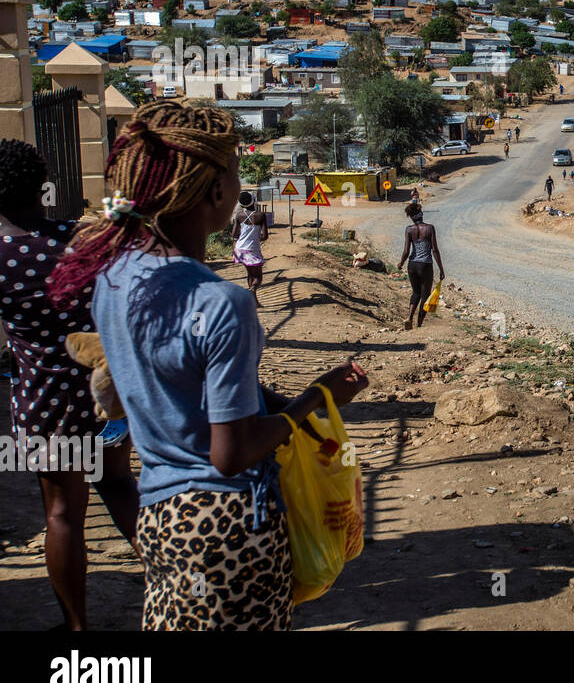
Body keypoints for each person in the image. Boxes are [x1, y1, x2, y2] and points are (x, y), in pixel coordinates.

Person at [49, 101, 369, 631]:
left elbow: (164, 389)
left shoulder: (113, 281)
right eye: (236, 173)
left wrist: (265, 399)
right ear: (217, 192)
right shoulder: (222, 303)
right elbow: (231, 453)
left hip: (160, 516)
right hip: (228, 524)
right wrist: (316, 397)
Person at [0, 139, 138, 630]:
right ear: (42, 186)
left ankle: (77, 627)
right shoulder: (80, 237)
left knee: (61, 513)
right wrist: (120, 189)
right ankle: (181, 584)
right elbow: (123, 218)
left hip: (43, 404)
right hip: (107, 398)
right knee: (120, 486)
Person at [395, 201, 444, 330]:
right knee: (425, 295)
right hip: (425, 265)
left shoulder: (409, 229)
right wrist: (441, 269)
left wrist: (401, 263)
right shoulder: (429, 228)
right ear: (421, 214)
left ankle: (409, 317)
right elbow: (435, 250)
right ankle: (419, 324)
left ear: (411, 217)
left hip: (412, 265)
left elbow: (406, 251)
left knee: (415, 292)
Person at [230, 191, 268, 307]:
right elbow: (265, 236)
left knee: (250, 274)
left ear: (241, 204)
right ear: (253, 201)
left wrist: (244, 236)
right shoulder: (260, 215)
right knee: (258, 277)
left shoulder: (239, 215)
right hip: (252, 249)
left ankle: (254, 302)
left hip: (240, 248)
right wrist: (255, 238)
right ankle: (253, 288)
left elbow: (233, 234)